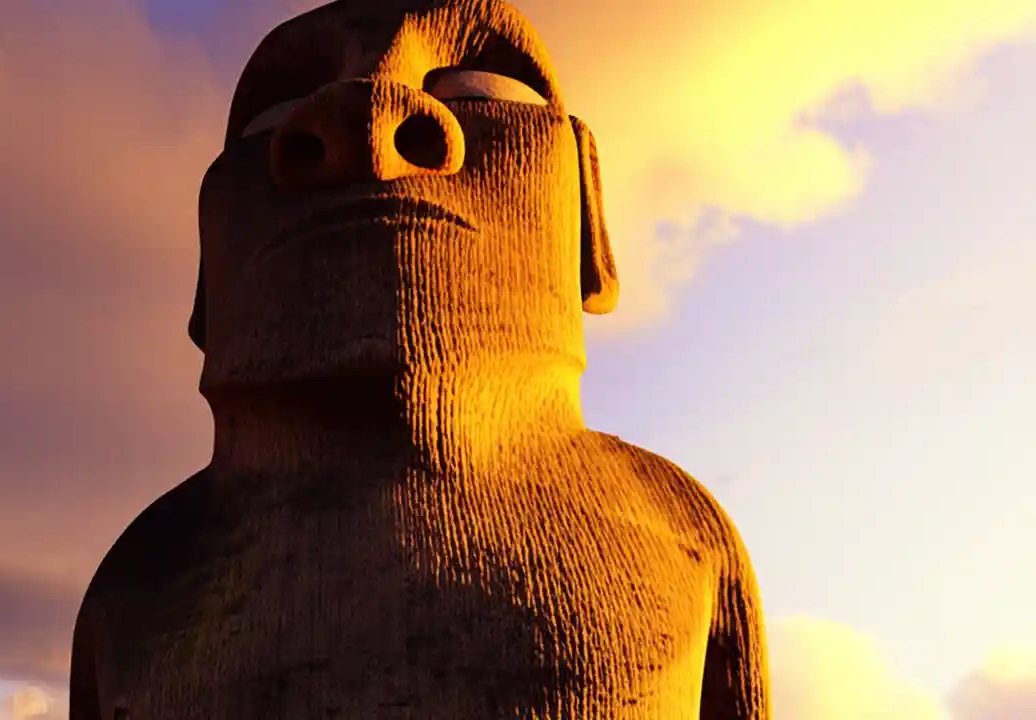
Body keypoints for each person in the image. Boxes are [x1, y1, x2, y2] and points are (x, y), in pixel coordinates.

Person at [71, 0, 770, 717]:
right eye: (271, 118)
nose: (367, 114)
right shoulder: (140, 580)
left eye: (480, 88)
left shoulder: (679, 534)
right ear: (205, 276)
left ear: (587, 211)